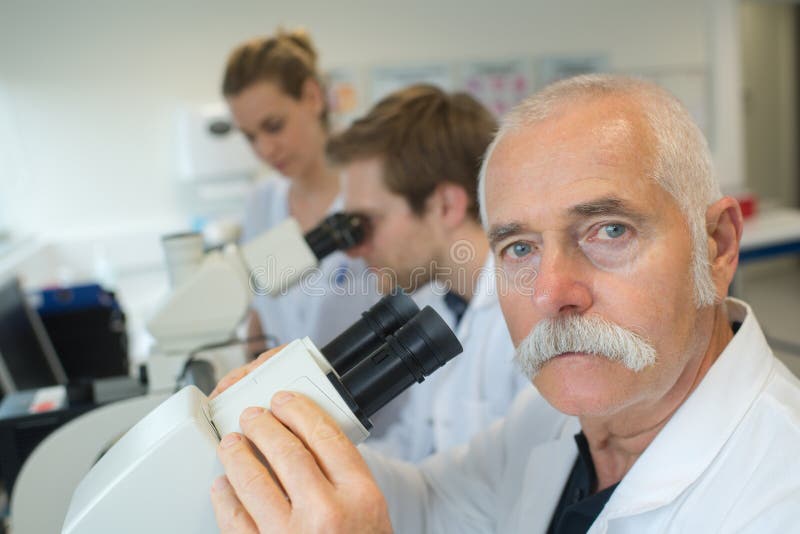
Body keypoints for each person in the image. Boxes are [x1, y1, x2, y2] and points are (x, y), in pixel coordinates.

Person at [208, 75, 800, 533]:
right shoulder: (554, 418)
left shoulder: (779, 493)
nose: (550, 293)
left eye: (609, 231)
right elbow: (433, 503)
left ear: (718, 245)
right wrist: (295, 438)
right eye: (519, 248)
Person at [324, 84, 529, 460]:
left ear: (446, 205)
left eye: (368, 222)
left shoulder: (528, 320)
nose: (356, 248)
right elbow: (413, 449)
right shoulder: (440, 303)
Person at [222, 29, 377, 349]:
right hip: (286, 381)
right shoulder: (261, 203)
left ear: (312, 97)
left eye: (274, 126)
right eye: (250, 136)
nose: (265, 149)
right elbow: (260, 314)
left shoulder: (373, 193)